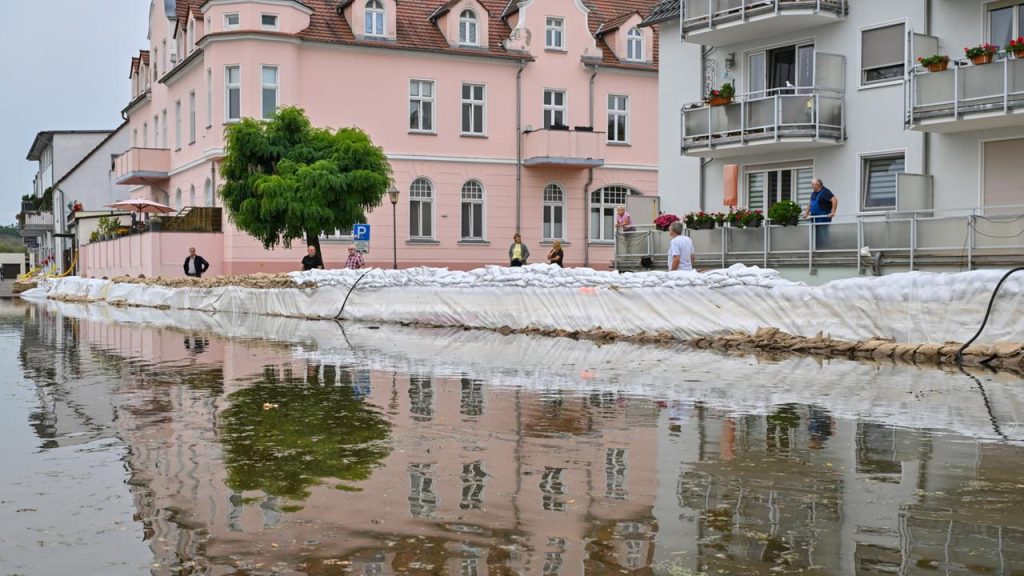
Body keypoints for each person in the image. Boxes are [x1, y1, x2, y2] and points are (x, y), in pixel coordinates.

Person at [803, 177, 837, 249]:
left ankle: (825, 249)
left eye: (813, 184)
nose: (811, 186)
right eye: (811, 184)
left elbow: (834, 199)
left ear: (818, 185)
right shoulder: (814, 193)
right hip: (814, 217)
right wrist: (806, 213)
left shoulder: (825, 192)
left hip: (823, 217)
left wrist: (833, 212)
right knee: (815, 234)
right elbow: (810, 203)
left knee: (823, 233)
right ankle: (816, 249)